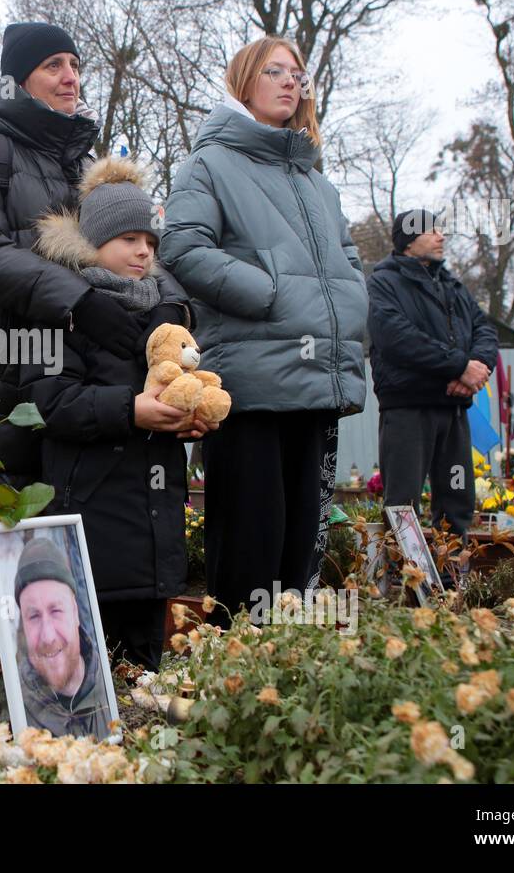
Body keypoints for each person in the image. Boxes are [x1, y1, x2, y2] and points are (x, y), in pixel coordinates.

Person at [160, 36, 368, 621]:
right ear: (244, 80)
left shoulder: (316, 183)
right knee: (252, 548)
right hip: (249, 389)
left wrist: (350, 306)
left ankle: (288, 685)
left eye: (297, 73)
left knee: (303, 548)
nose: (290, 81)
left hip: (317, 383)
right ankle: (233, 681)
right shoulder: (210, 163)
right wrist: (269, 293)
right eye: (274, 70)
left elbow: (348, 262)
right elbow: (181, 247)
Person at [0, 22, 189, 485]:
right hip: (5, 360)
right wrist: (80, 300)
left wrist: (171, 306)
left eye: (75, 65)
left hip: (83, 375)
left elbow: (140, 241)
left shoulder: (86, 167)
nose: (70, 77)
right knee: (13, 521)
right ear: (18, 82)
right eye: (53, 65)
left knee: (86, 514)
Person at [23, 156, 205, 669]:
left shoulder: (168, 318)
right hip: (92, 518)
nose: (143, 251)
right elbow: (49, 403)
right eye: (129, 239)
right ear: (94, 243)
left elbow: (181, 390)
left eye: (149, 242)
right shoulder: (62, 313)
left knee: (147, 665)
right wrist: (131, 410)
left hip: (154, 524)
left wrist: (191, 416)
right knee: (92, 667)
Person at [367, 210, 499, 541]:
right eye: (432, 231)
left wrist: (477, 366)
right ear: (408, 242)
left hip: (453, 407)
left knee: (457, 502)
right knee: (403, 504)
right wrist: (458, 366)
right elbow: (396, 338)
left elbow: (484, 329)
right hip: (408, 409)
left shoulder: (452, 284)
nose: (441, 236)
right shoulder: (383, 283)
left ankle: (453, 580)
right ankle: (403, 586)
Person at [13, 536, 112, 738]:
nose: (48, 637)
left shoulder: (108, 690)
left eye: (56, 611)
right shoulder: (12, 708)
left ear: (75, 611)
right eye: (33, 616)